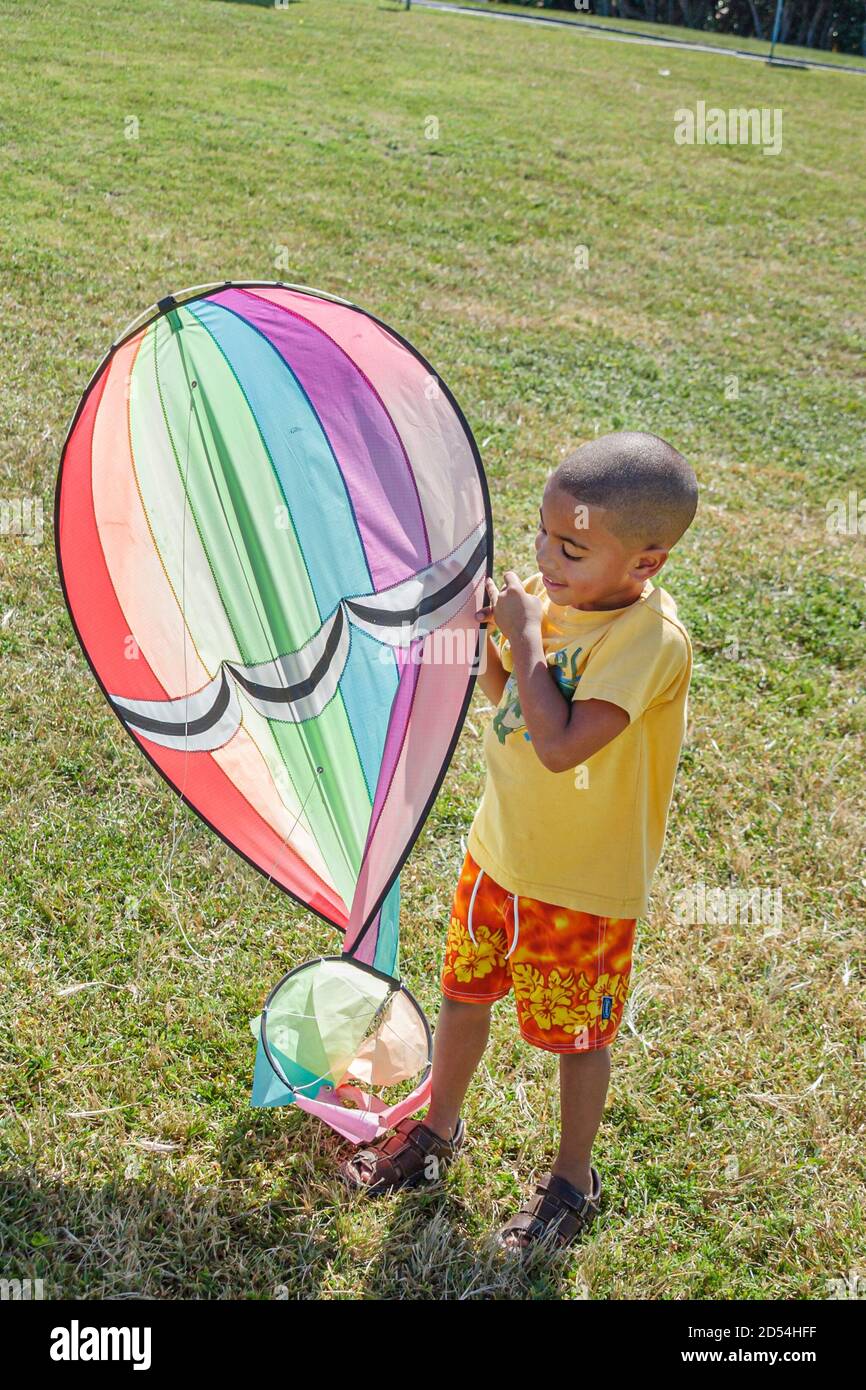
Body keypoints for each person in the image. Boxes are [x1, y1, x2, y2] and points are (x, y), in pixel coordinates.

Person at [340, 431, 698, 1253]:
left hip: (581, 887)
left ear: (646, 566)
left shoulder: (649, 644)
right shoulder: (548, 596)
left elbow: (562, 742)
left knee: (577, 1040)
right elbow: (507, 695)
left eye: (571, 546)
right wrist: (484, 642)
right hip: (498, 853)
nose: (544, 554)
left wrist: (527, 635)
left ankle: (573, 1180)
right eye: (540, 532)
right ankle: (437, 1132)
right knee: (464, 996)